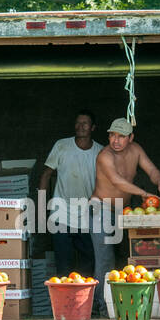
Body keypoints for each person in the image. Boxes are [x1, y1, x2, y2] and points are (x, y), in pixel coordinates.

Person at [89, 118, 160, 313]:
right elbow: (117, 181)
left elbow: (151, 169)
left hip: (124, 211)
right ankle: (103, 309)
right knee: (105, 259)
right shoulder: (104, 155)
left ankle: (124, 305)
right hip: (100, 208)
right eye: (112, 135)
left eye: (121, 136)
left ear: (131, 138)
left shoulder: (136, 150)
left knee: (129, 258)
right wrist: (144, 193)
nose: (115, 140)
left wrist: (159, 181)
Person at [38, 110, 103, 279]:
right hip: (61, 215)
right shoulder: (62, 146)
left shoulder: (101, 152)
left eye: (85, 123)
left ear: (93, 128)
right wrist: (40, 209)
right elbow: (46, 175)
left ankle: (85, 304)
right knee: (63, 268)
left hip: (87, 217)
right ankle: (64, 304)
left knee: (88, 266)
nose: (80, 126)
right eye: (78, 122)